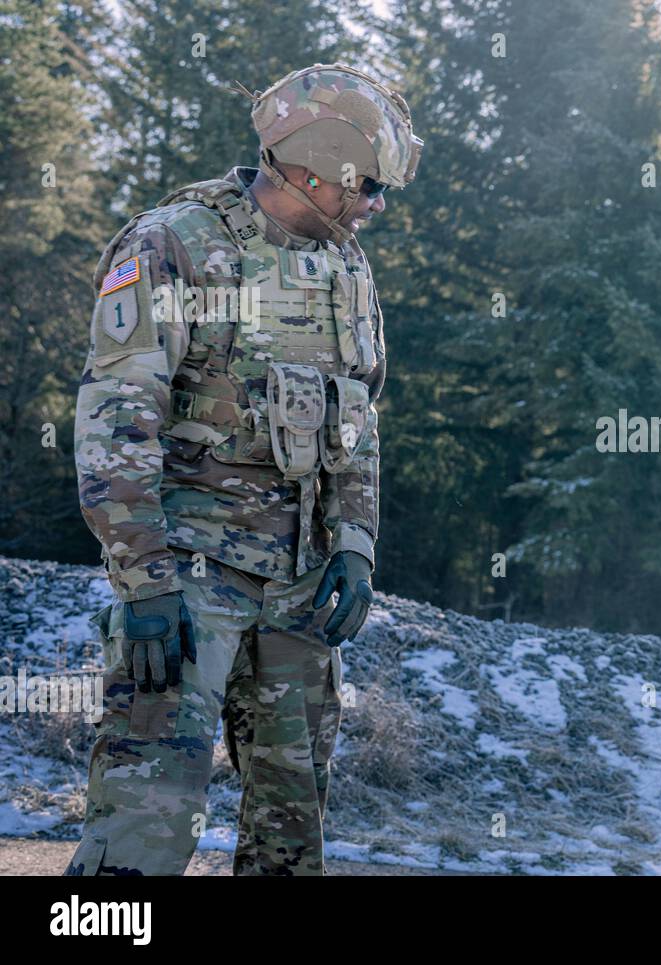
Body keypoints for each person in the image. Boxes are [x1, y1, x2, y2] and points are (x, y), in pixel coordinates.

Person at [66, 63, 422, 875]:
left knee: (291, 838)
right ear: (311, 168)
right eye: (367, 186)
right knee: (143, 827)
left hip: (300, 589)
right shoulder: (176, 245)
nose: (374, 207)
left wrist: (356, 542)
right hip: (188, 582)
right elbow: (117, 423)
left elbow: (359, 418)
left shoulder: (346, 267)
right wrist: (145, 579)